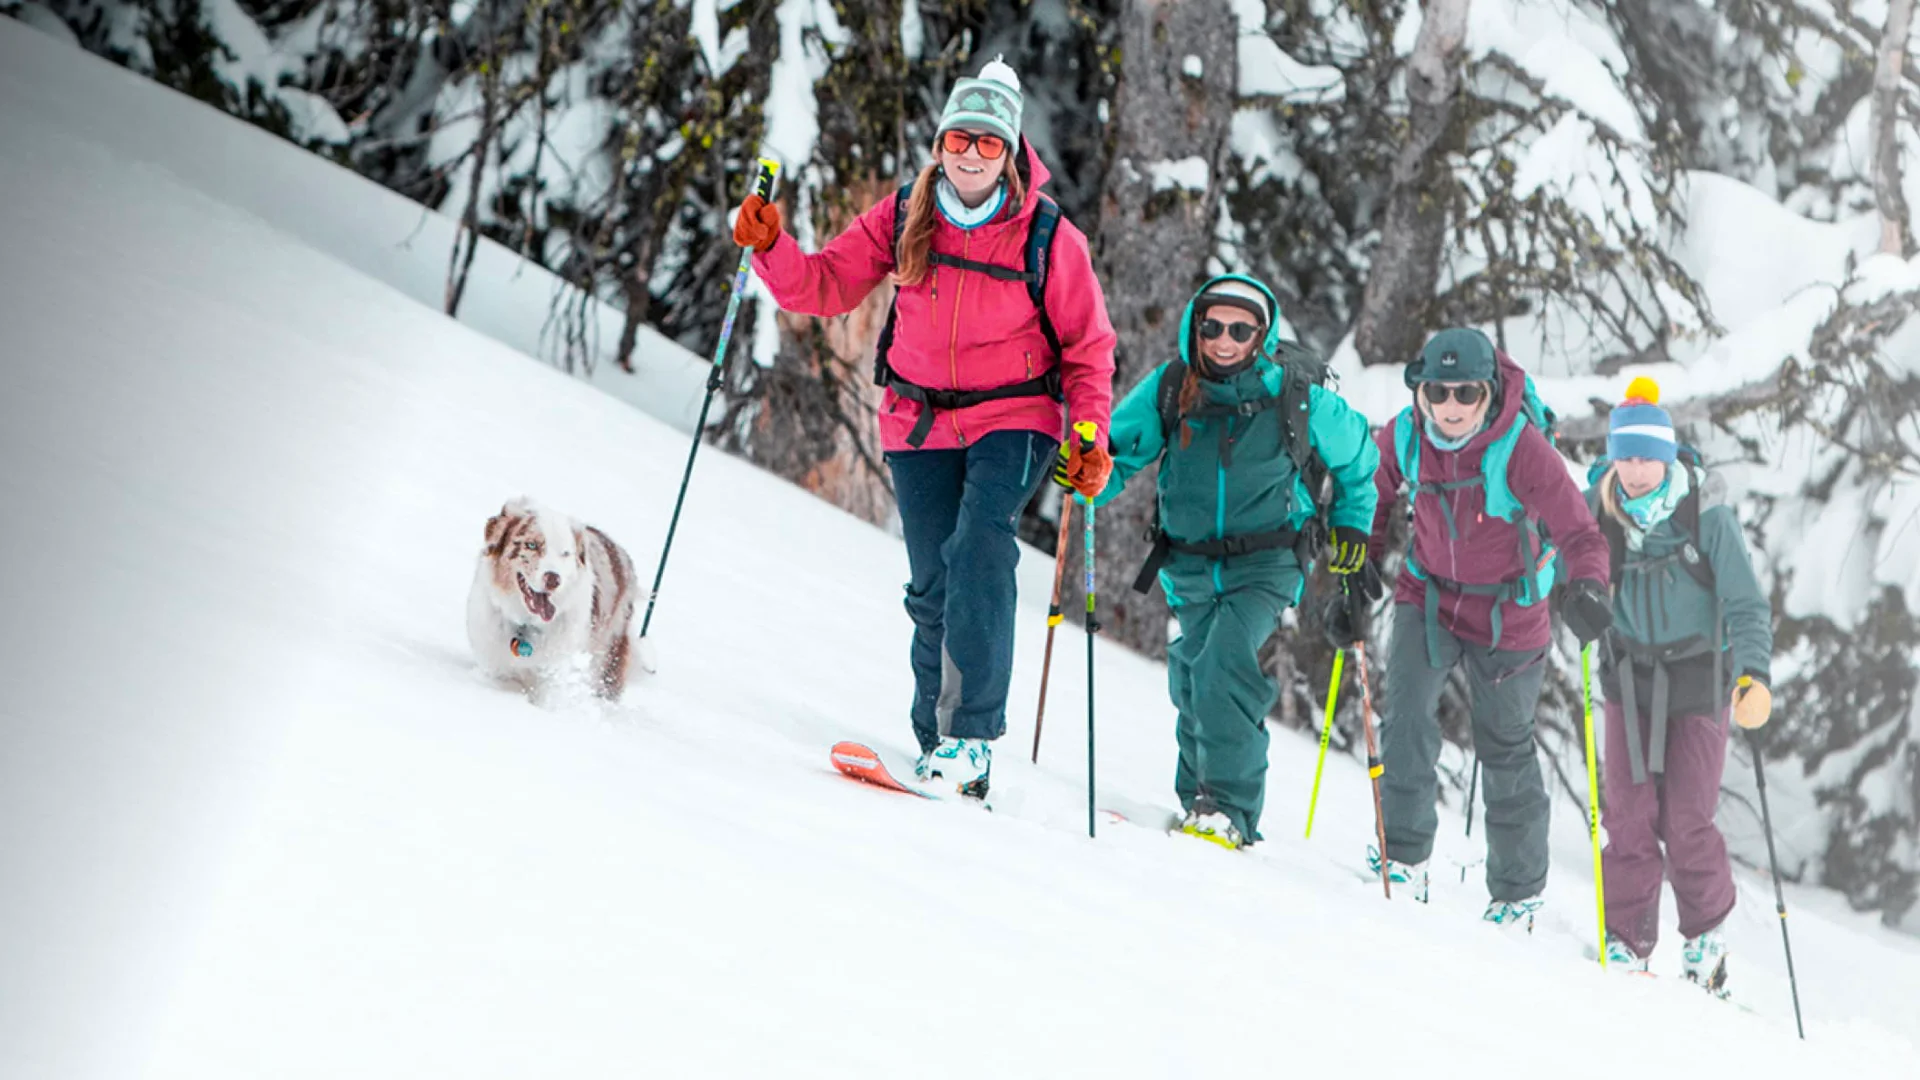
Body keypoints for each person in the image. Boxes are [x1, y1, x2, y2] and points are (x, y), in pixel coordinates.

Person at [734, 57, 1117, 798]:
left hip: (1016, 416)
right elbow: (823, 286)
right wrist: (769, 245)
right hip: (919, 419)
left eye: (988, 143)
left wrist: (1089, 434)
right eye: (959, 139)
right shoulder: (906, 210)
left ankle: (972, 739)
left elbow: (1088, 347)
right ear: (941, 142)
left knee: (980, 548)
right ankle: (935, 740)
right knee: (934, 584)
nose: (971, 154)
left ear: (1010, 153)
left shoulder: (1046, 235)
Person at [1088, 274, 1378, 849]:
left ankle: (1229, 811)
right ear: (1197, 326)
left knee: (1224, 660)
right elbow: (1117, 454)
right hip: (1189, 562)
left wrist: (1352, 525)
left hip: (1268, 563)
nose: (1224, 340)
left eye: (1239, 329)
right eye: (1213, 326)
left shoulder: (1297, 397)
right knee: (1193, 673)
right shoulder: (1173, 387)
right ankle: (1198, 797)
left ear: (1261, 335)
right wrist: (1088, 475)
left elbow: (1358, 460)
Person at [1337, 327, 1611, 929]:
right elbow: (1373, 496)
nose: (1452, 406)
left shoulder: (1520, 448)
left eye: (1466, 393)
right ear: (1423, 391)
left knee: (1505, 744)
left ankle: (1517, 894)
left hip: (1510, 610)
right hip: (1428, 594)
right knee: (1405, 716)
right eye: (1440, 391)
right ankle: (1403, 857)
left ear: (1488, 392)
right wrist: (1356, 560)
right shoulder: (1406, 435)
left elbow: (1579, 531)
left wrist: (1588, 584)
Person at [1587, 378, 1774, 991]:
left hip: (1699, 676)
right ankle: (1626, 940)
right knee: (1630, 814)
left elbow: (1745, 601)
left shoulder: (1703, 514)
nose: (1635, 471)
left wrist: (1755, 674)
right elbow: (1564, 562)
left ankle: (1706, 941)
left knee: (1688, 816)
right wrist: (1571, 597)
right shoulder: (1600, 507)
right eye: (1626, 456)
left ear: (1667, 457)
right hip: (1627, 674)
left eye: (1646, 458)